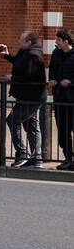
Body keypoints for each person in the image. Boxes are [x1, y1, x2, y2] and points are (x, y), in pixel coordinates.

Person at [0, 31, 47, 169]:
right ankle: (36, 158)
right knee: (31, 125)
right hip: (26, 96)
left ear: (29, 42)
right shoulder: (25, 52)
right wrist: (7, 55)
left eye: (22, 40)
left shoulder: (34, 55)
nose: (19, 41)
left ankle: (23, 153)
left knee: (12, 120)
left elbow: (30, 76)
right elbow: (19, 63)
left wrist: (13, 78)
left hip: (32, 96)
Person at [49, 29, 74, 171]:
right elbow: (52, 69)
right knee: (63, 130)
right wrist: (52, 79)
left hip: (72, 98)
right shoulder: (56, 53)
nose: (56, 42)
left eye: (58, 40)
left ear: (66, 41)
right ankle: (68, 158)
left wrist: (70, 82)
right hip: (59, 97)